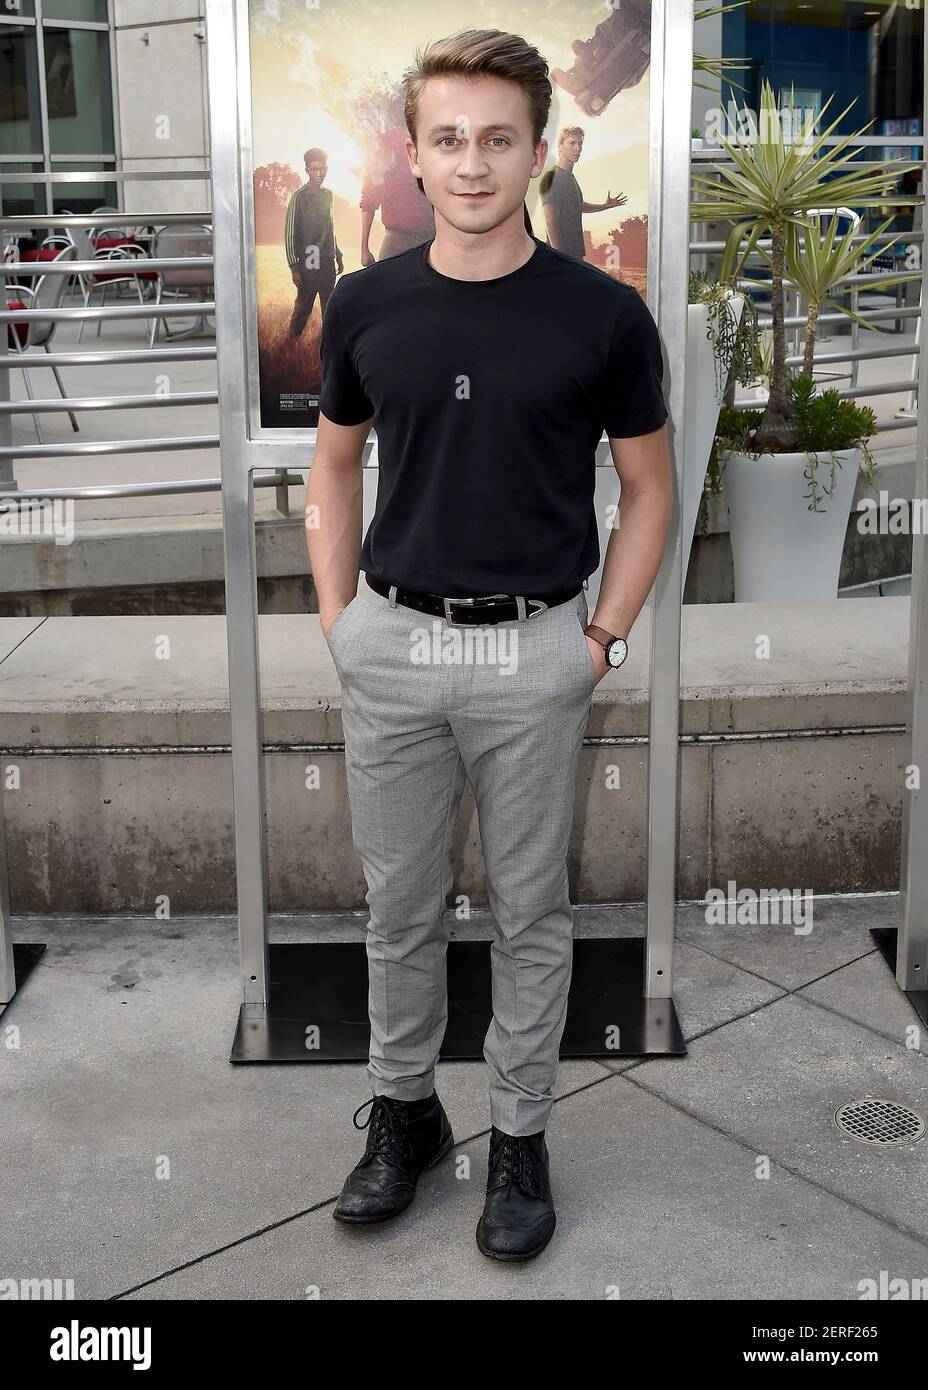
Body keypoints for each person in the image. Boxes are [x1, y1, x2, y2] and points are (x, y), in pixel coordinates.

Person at [304, 26, 671, 1263]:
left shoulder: (602, 316)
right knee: (397, 908)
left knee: (530, 911)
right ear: (414, 154)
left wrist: (601, 637)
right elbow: (333, 469)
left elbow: (652, 488)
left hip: (535, 653)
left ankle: (520, 1135)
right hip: (394, 645)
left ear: (537, 155)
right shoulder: (364, 303)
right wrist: (339, 621)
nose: (471, 164)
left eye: (496, 140)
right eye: (448, 140)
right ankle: (404, 1115)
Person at [540, 125, 627, 260]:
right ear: (560, 146)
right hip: (561, 258)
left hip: (574, 255)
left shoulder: (569, 177)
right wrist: (561, 259)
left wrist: (605, 206)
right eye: (572, 143)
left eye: (580, 143)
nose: (578, 148)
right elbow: (550, 222)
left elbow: (577, 206)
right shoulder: (553, 177)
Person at [285, 147, 343, 337]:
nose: (319, 173)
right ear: (307, 170)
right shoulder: (299, 196)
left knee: (330, 307)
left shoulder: (328, 195)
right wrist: (294, 267)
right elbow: (290, 233)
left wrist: (338, 254)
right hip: (310, 257)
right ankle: (290, 344)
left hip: (327, 259)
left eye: (323, 169)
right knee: (304, 305)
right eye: (314, 169)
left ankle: (329, 348)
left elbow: (330, 227)